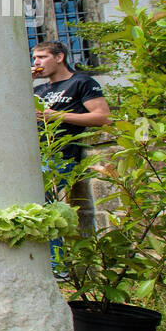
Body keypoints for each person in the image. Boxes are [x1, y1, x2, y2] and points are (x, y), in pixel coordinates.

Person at [32, 40, 111, 271]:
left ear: (59, 57)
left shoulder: (81, 82)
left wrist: (57, 116)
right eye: (34, 58)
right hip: (37, 155)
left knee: (45, 205)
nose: (36, 62)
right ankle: (47, 264)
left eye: (42, 57)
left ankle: (57, 266)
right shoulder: (39, 90)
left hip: (62, 156)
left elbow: (103, 117)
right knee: (37, 206)